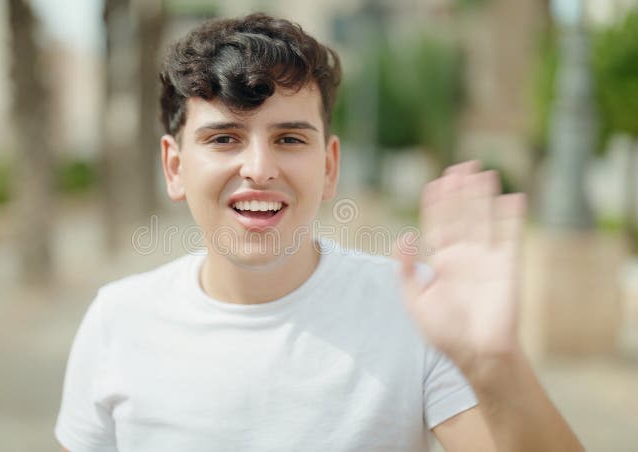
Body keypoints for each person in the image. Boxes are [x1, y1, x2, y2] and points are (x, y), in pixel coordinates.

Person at [55, 13, 584, 452]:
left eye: (288, 138)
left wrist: (495, 362)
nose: (259, 168)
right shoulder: (117, 321)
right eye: (224, 138)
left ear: (330, 167)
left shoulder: (418, 310)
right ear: (174, 167)